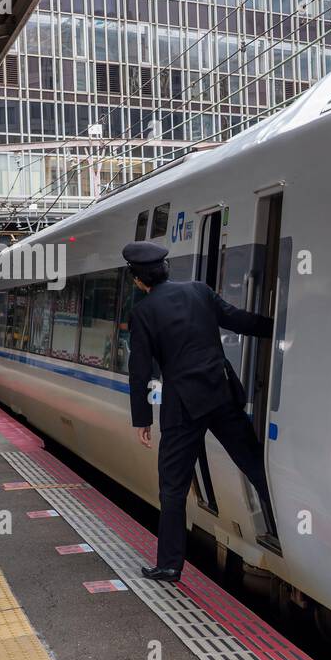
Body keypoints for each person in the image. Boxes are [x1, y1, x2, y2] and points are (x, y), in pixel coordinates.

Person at [124, 241, 275, 582]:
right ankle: (286, 528)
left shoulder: (143, 314)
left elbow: (140, 372)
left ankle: (170, 565)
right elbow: (237, 320)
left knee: (173, 488)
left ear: (138, 280)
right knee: (255, 464)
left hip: (184, 408)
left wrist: (142, 419)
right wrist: (278, 326)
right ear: (165, 269)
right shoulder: (199, 291)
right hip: (221, 394)